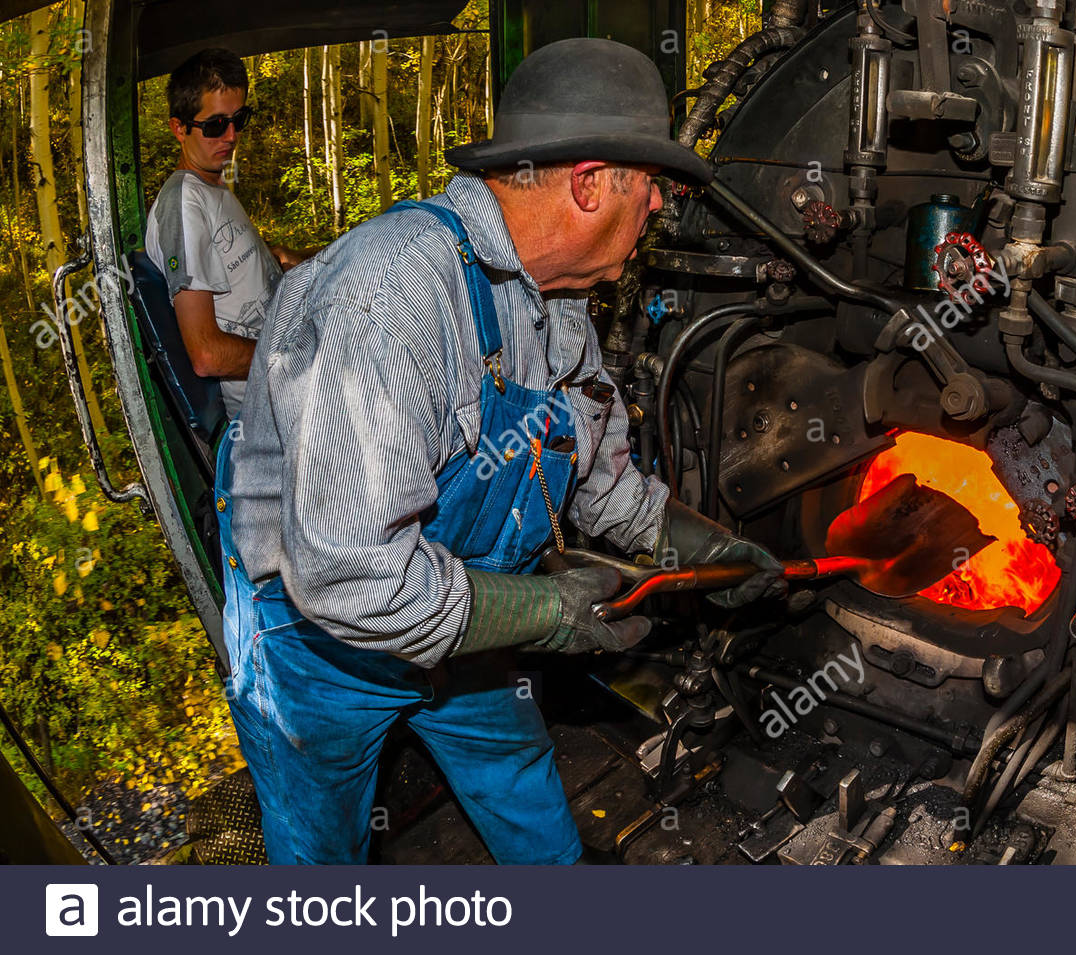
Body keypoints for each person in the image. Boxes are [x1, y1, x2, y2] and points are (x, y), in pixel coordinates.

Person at [216, 37, 785, 865]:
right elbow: (350, 577)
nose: (659, 206)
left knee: (528, 798)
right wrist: (553, 615)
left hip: (466, 622)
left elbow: (591, 467)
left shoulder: (553, 299)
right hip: (322, 651)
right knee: (320, 863)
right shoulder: (394, 297)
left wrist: (702, 549)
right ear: (589, 184)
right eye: (650, 185)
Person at [144, 48, 307, 418]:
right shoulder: (184, 203)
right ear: (179, 128)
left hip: (289, 358)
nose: (231, 137)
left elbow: (232, 261)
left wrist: (281, 255)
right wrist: (301, 355)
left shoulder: (211, 187)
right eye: (216, 125)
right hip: (273, 401)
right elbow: (207, 354)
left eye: (239, 119)